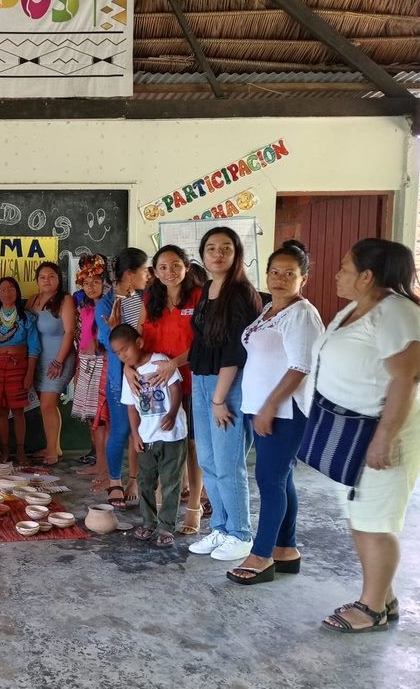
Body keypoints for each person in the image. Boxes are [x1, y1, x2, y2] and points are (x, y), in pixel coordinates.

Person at [315, 239, 420, 633]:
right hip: (355, 430)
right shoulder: (356, 308)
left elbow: (408, 377)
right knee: (361, 517)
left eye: (345, 268)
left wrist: (384, 437)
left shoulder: (397, 312)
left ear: (366, 276)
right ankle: (384, 596)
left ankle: (372, 608)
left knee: (374, 523)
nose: (337, 274)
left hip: (387, 431)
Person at [227, 240, 324, 585]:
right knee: (281, 479)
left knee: (270, 481)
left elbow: (301, 366)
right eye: (274, 272)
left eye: (289, 274)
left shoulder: (301, 314)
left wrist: (270, 406)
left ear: (303, 279)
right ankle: (286, 549)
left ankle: (261, 554)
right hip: (263, 408)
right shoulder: (270, 309)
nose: (280, 279)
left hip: (285, 411)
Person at [187, 227, 262, 562]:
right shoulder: (208, 288)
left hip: (227, 385)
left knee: (229, 464)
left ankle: (240, 533)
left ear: (237, 253)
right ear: (203, 254)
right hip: (201, 380)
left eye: (226, 248)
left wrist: (219, 399)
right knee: (208, 461)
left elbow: (236, 350)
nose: (218, 254)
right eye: (212, 248)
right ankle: (220, 526)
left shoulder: (241, 293)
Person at [139, 245, 205, 535]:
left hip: (190, 380)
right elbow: (140, 339)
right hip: (155, 384)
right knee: (159, 440)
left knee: (191, 444)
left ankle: (194, 507)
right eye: (163, 267)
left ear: (186, 267)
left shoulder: (199, 297)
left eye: (176, 265)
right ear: (155, 271)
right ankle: (159, 507)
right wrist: (129, 368)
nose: (170, 272)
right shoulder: (150, 298)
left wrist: (174, 365)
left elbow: (205, 341)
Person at [111, 324, 188, 548]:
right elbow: (131, 408)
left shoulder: (159, 361)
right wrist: (136, 435)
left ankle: (166, 527)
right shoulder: (129, 374)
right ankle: (148, 522)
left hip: (172, 436)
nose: (123, 356)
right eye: (118, 353)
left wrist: (172, 413)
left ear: (139, 343)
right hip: (146, 437)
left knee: (171, 483)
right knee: (145, 482)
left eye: (125, 349)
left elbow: (176, 389)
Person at [96, 247, 149, 506]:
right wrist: (127, 366)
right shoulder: (107, 304)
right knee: (121, 430)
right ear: (129, 274)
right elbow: (110, 343)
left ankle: (134, 479)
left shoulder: (146, 299)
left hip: (147, 375)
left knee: (141, 431)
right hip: (121, 377)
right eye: (144, 271)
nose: (148, 275)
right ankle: (114, 481)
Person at [0, 277, 41, 463]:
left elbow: (34, 348)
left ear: (17, 292)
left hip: (19, 368)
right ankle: (5, 451)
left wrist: (29, 374)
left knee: (18, 411)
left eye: (11, 288)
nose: (7, 293)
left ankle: (20, 450)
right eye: (3, 289)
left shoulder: (27, 317)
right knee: (1, 411)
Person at [29, 261, 77, 466]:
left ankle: (51, 451)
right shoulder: (32, 300)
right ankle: (54, 446)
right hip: (39, 360)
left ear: (59, 279)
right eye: (42, 277)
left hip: (59, 359)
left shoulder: (65, 300)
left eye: (51, 276)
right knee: (48, 405)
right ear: (37, 280)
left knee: (47, 404)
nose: (47, 280)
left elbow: (70, 332)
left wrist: (58, 361)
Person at [72, 255, 111, 485]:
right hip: (85, 363)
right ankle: (98, 463)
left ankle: (106, 468)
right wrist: (78, 367)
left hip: (102, 364)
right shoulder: (84, 307)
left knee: (102, 419)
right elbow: (82, 338)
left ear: (104, 283)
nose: (91, 287)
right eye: (86, 283)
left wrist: (100, 347)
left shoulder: (109, 306)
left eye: (95, 282)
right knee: (90, 418)